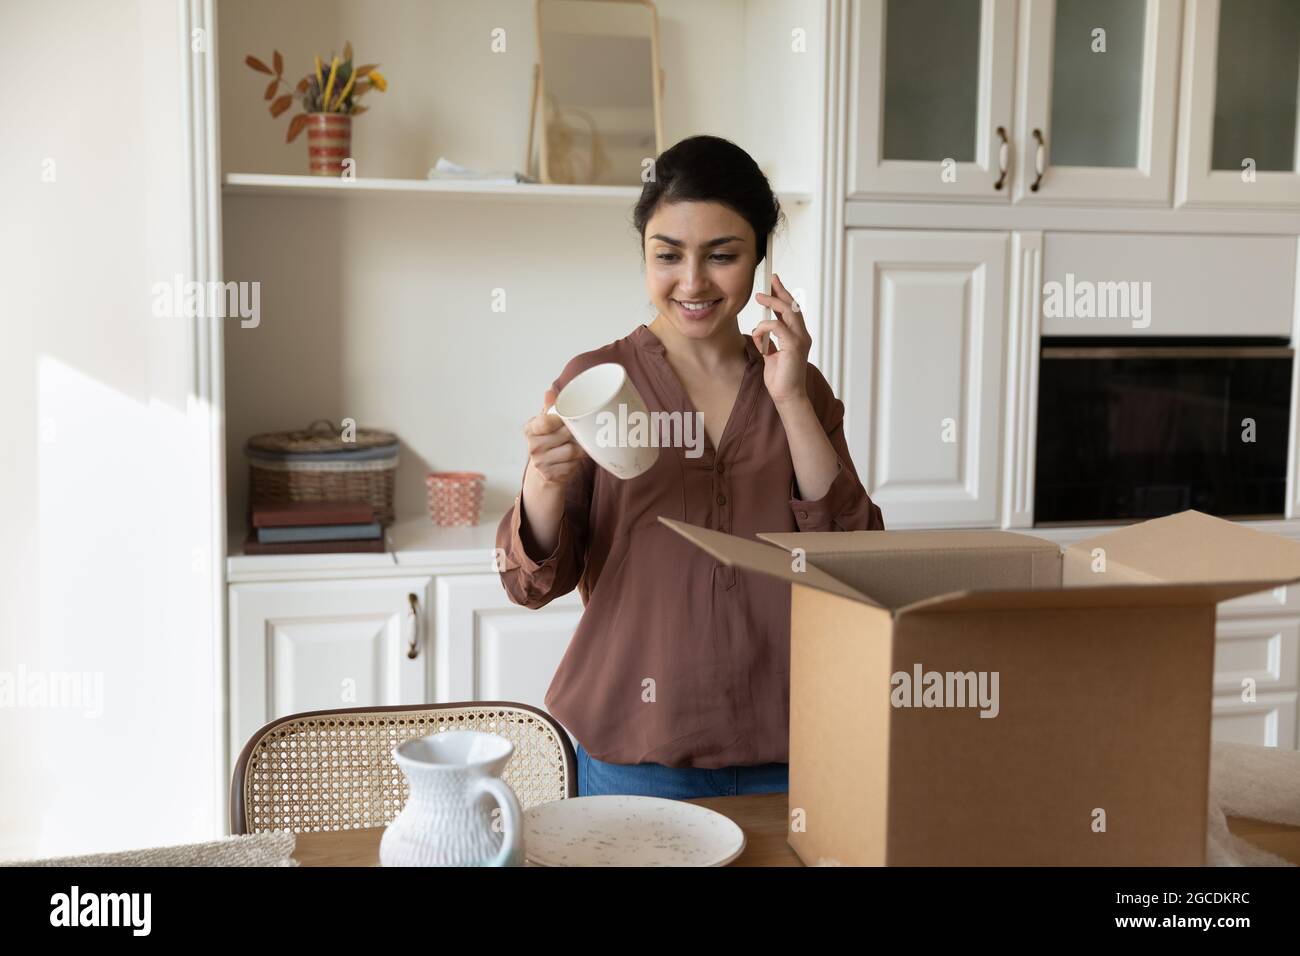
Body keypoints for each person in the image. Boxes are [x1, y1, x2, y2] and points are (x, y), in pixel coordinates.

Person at [495, 134, 886, 799]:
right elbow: (532, 585)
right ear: (644, 255)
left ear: (760, 257)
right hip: (640, 751)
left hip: (793, 742)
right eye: (668, 256)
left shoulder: (798, 384)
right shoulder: (597, 381)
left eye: (723, 256)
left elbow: (852, 558)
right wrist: (543, 482)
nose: (694, 283)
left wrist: (790, 397)